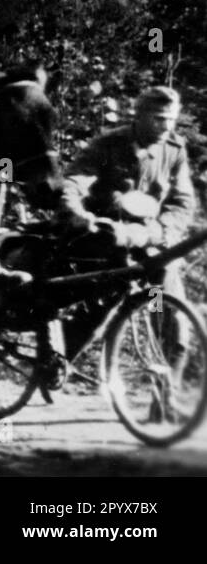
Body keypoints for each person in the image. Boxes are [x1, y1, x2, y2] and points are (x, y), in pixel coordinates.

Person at [39, 85, 197, 386]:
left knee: (169, 313)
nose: (166, 126)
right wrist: (76, 214)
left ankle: (166, 391)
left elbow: (182, 202)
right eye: (159, 118)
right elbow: (74, 181)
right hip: (107, 240)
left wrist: (160, 230)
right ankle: (57, 363)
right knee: (96, 311)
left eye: (171, 120)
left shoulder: (174, 150)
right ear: (138, 116)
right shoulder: (109, 145)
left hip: (152, 242)